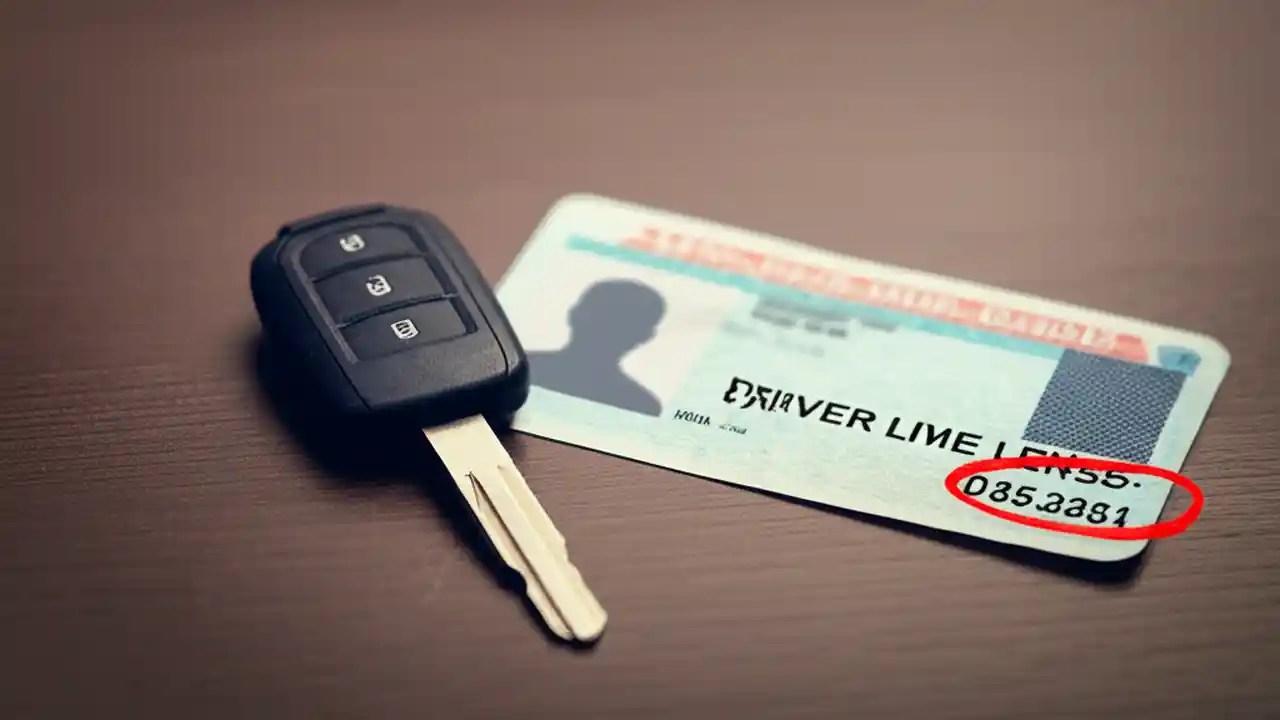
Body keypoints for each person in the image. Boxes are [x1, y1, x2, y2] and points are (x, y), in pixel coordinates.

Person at [528, 279, 666, 416]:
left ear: (574, 315)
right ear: (645, 336)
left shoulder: (518, 367)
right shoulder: (640, 405)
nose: (605, 329)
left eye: (618, 323)